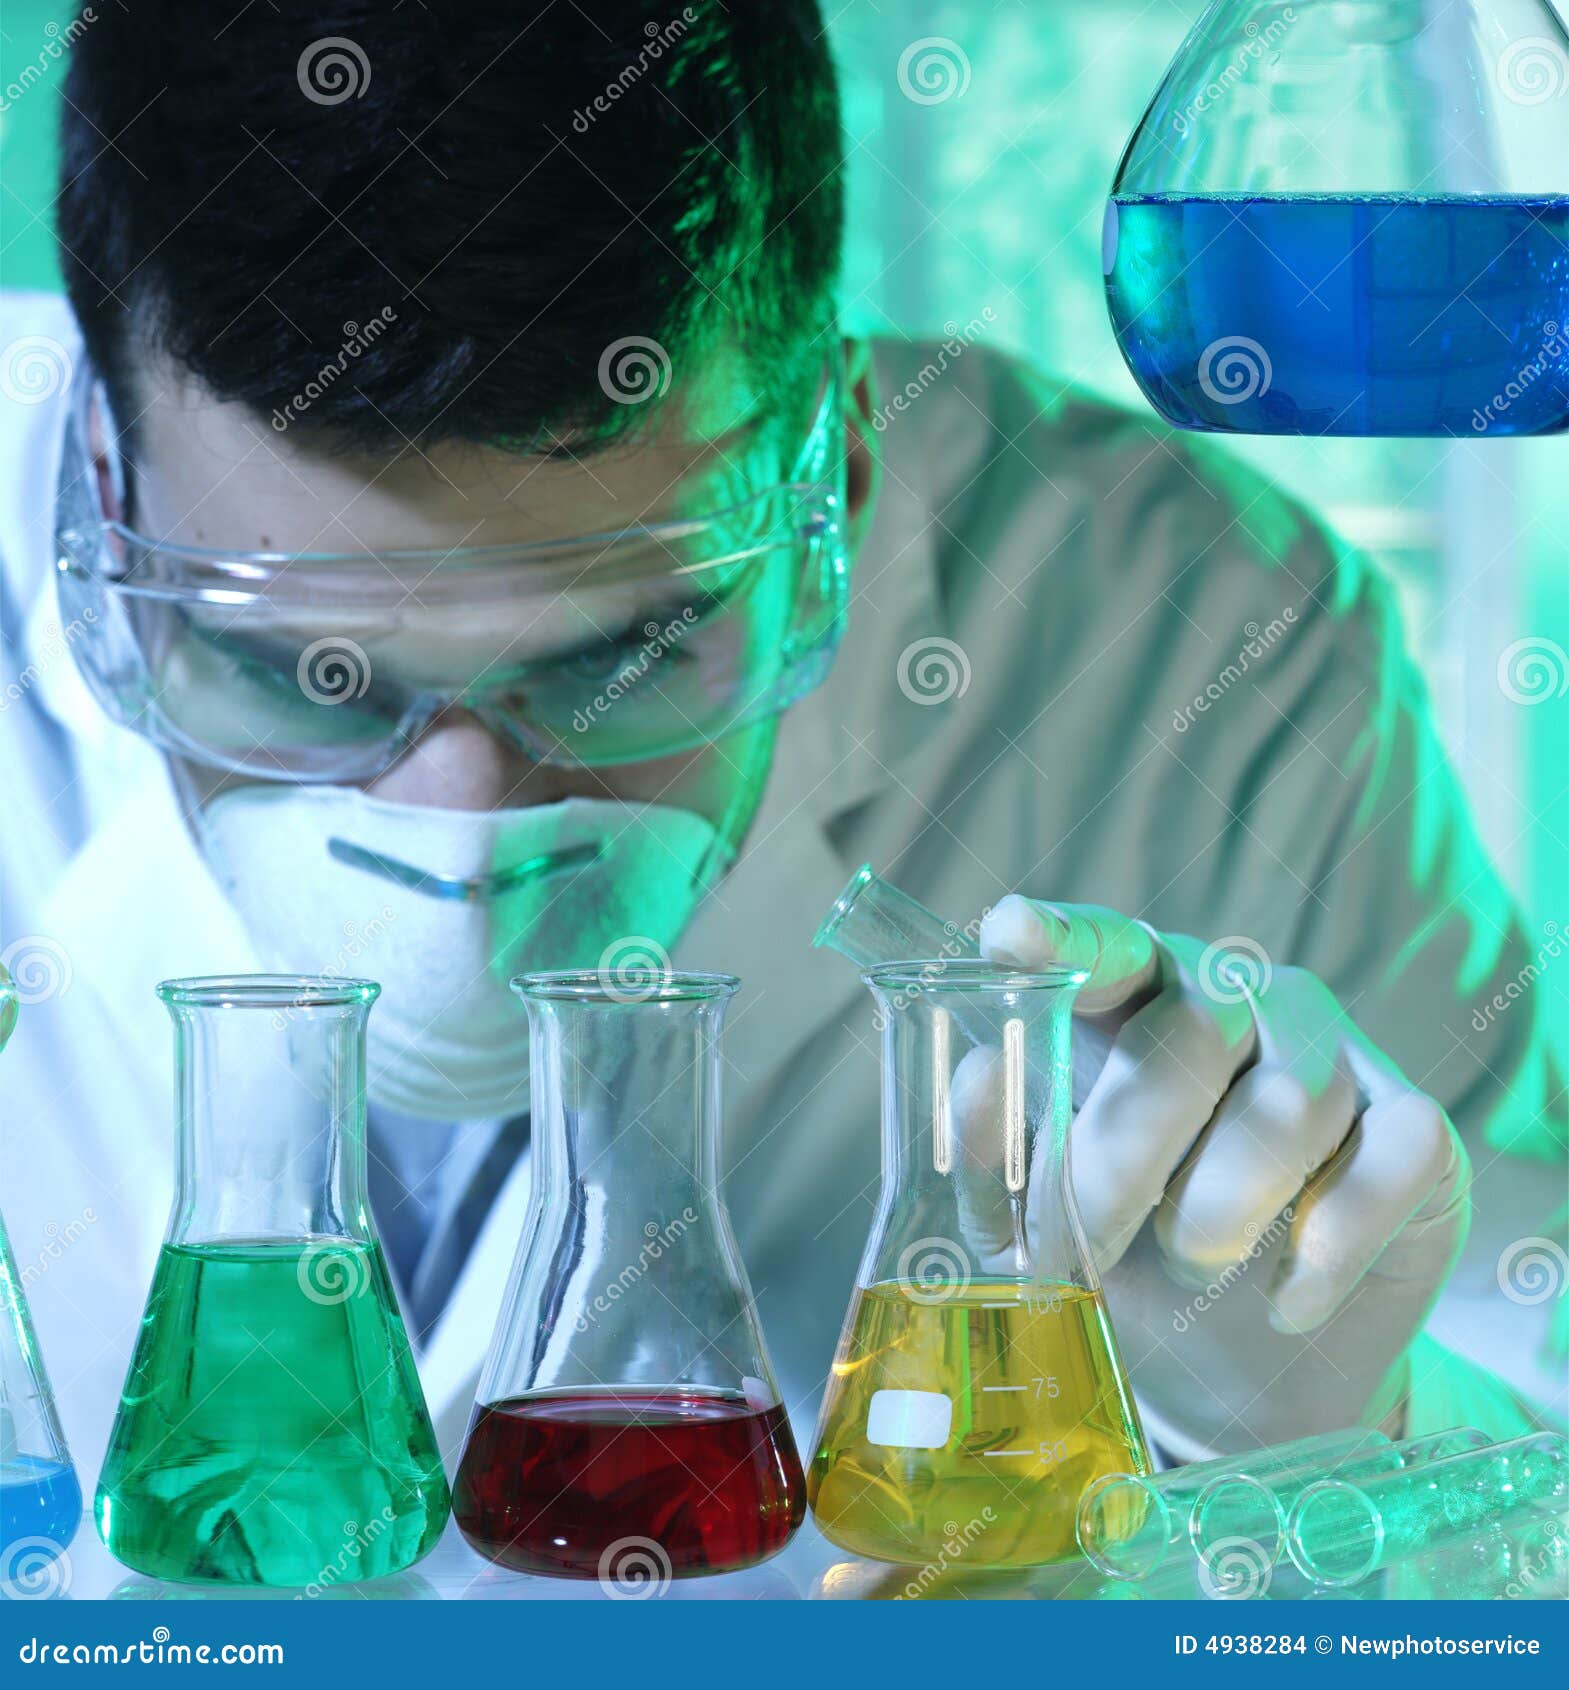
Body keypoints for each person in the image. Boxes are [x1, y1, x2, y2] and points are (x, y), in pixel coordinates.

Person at [0, 2, 1561, 1479]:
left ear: (841, 476)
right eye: (308, 674)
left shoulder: (1205, 648)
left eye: (628, 654)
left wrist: (1335, 1421)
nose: (463, 819)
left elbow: (1537, 1450)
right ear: (95, 489)